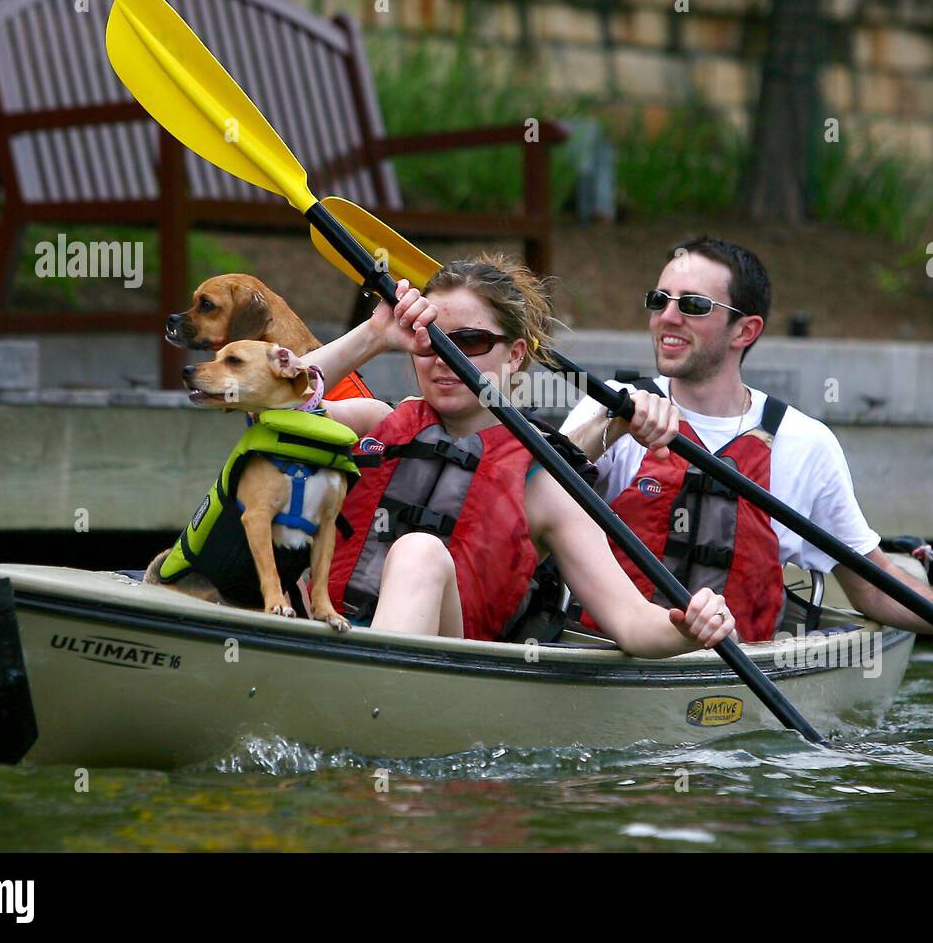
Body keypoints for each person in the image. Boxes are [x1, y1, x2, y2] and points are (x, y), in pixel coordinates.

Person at [560, 236, 933, 664]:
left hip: (741, 670)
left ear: (745, 330)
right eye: (659, 300)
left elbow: (867, 584)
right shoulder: (612, 402)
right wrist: (613, 427)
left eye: (694, 305)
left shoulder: (805, 443)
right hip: (606, 654)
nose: (668, 317)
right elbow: (530, 506)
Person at [301, 256, 736, 658]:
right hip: (331, 641)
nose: (444, 359)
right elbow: (268, 404)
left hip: (446, 680)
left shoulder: (546, 484)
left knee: (419, 552)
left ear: (515, 354)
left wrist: (693, 628)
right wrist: (373, 335)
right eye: (430, 341)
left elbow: (632, 622)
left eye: (469, 341)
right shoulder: (375, 422)